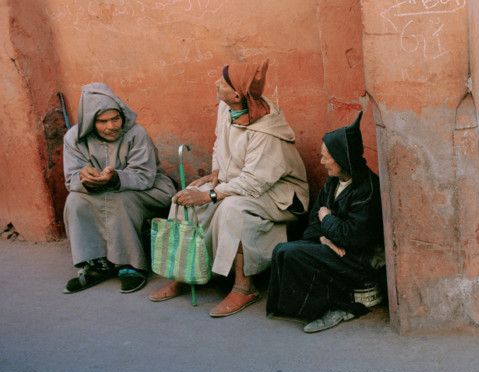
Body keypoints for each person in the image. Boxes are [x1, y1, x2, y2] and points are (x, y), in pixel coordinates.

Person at [148, 60, 309, 318]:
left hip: (280, 194)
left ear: (237, 95)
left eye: (222, 83)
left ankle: (244, 287)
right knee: (185, 196)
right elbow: (218, 144)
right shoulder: (227, 108)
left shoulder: (266, 131)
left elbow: (254, 182)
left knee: (232, 207)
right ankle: (186, 272)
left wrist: (210, 195)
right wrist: (215, 173)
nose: (216, 84)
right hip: (240, 181)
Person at [266, 111, 385, 333]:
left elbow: (352, 236)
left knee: (294, 253)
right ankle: (294, 307)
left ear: (342, 158)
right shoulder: (333, 181)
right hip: (335, 246)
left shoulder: (367, 189)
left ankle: (333, 307)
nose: (321, 162)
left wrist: (327, 218)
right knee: (282, 250)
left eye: (326, 157)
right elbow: (313, 219)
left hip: (359, 259)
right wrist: (324, 238)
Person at [61, 83, 176, 294]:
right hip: (99, 191)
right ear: (89, 122)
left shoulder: (136, 133)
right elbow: (72, 178)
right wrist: (83, 177)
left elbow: (144, 176)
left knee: (118, 199)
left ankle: (130, 264)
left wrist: (115, 179)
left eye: (115, 118)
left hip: (148, 188)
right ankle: (96, 264)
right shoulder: (73, 138)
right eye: (102, 121)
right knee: (75, 201)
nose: (111, 126)